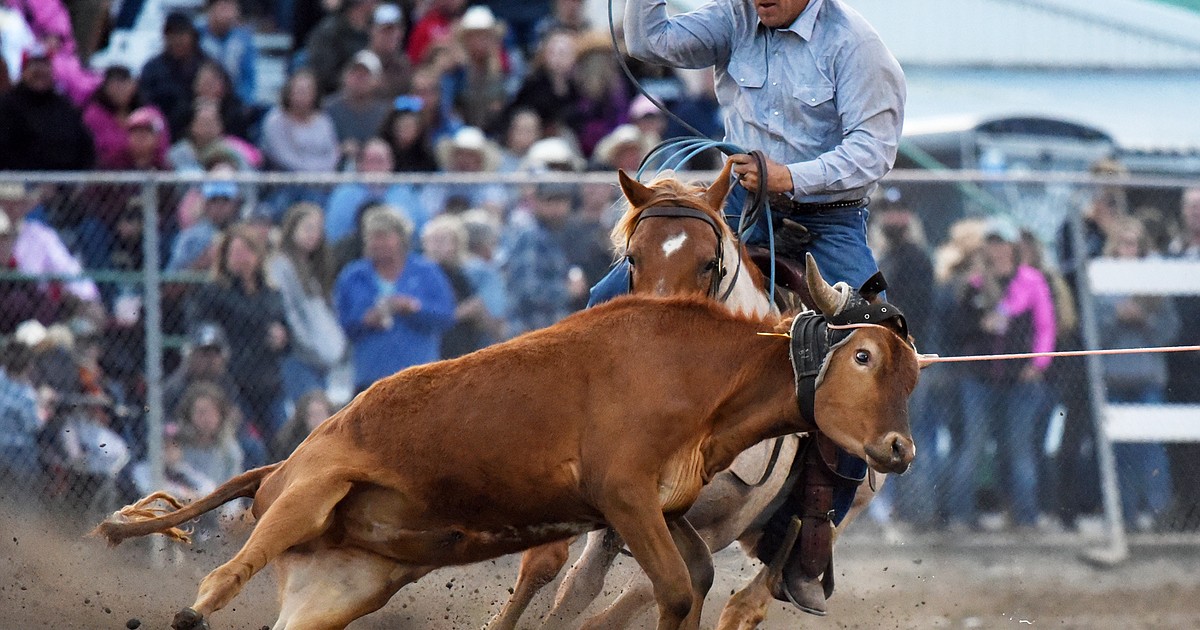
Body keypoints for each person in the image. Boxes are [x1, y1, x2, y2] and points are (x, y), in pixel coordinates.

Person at [616, 0, 906, 612]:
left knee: (863, 342)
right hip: (745, 215)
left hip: (828, 221)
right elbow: (651, 42)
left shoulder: (857, 47)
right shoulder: (736, 18)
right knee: (614, 298)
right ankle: (588, 468)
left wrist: (788, 178)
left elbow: (872, 153)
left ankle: (809, 540)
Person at [944, 219, 1055, 533]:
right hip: (979, 380)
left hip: (1021, 380)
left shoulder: (1032, 281)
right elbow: (958, 329)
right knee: (972, 448)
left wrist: (1039, 364)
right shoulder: (973, 284)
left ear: (1013, 247)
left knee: (1019, 451)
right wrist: (982, 324)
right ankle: (960, 517)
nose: (997, 249)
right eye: (992, 242)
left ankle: (1026, 518)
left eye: (1002, 242)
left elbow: (1046, 327)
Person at [1095, 216, 1178, 531]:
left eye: (1134, 243)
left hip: (1147, 377)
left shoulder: (1153, 282)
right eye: (1123, 243)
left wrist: (1144, 319)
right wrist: (1118, 318)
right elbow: (1093, 333)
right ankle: (1124, 518)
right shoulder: (1101, 279)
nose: (1129, 249)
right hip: (1112, 378)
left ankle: (1160, 516)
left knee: (1151, 449)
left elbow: (1169, 331)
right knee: (1119, 454)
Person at [187, 225, 290, 446]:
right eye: (234, 253)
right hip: (232, 383)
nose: (240, 258)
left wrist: (283, 337)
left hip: (267, 381)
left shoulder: (271, 293)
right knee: (250, 447)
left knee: (285, 442)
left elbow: (287, 334)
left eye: (246, 252)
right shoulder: (214, 293)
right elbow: (201, 329)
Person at [333, 205, 455, 393]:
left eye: (384, 236)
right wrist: (365, 320)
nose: (378, 243)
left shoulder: (426, 272)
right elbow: (342, 323)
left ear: (401, 238)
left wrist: (414, 308)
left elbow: (446, 316)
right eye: (372, 237)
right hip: (371, 379)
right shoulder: (353, 276)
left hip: (420, 377)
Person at [266, 203, 347, 408]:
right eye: (308, 228)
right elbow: (288, 309)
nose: (314, 235)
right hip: (298, 354)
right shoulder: (281, 265)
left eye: (318, 229)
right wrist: (306, 344)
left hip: (319, 356)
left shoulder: (314, 270)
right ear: (292, 228)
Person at [502, 182, 587, 335]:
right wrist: (567, 291)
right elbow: (527, 289)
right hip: (528, 332)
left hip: (551, 331)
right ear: (537, 202)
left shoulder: (563, 234)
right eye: (550, 201)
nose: (556, 207)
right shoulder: (531, 236)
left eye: (561, 201)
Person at [0, 45, 95, 171]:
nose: (41, 70)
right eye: (34, 65)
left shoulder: (64, 106)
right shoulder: (7, 106)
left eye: (45, 65)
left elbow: (85, 146)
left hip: (65, 184)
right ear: (24, 71)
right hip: (19, 183)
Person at [139, 12, 213, 140]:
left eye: (182, 35)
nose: (178, 41)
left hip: (199, 125)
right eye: (173, 35)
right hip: (162, 126)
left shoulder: (206, 65)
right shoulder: (152, 68)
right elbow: (144, 101)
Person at [303, 0, 378, 96]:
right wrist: (352, 81)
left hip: (371, 95)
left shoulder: (374, 30)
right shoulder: (328, 31)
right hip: (333, 95)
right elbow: (322, 73)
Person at [198, 0, 259, 105]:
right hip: (200, 100)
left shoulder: (244, 40)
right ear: (210, 8)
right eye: (223, 7)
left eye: (232, 7)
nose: (228, 13)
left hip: (233, 101)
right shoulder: (197, 36)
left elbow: (248, 77)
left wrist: (243, 102)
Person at [271, 388, 334, 459]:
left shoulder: (337, 439)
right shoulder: (289, 442)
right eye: (312, 415)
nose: (317, 420)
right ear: (304, 418)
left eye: (321, 414)